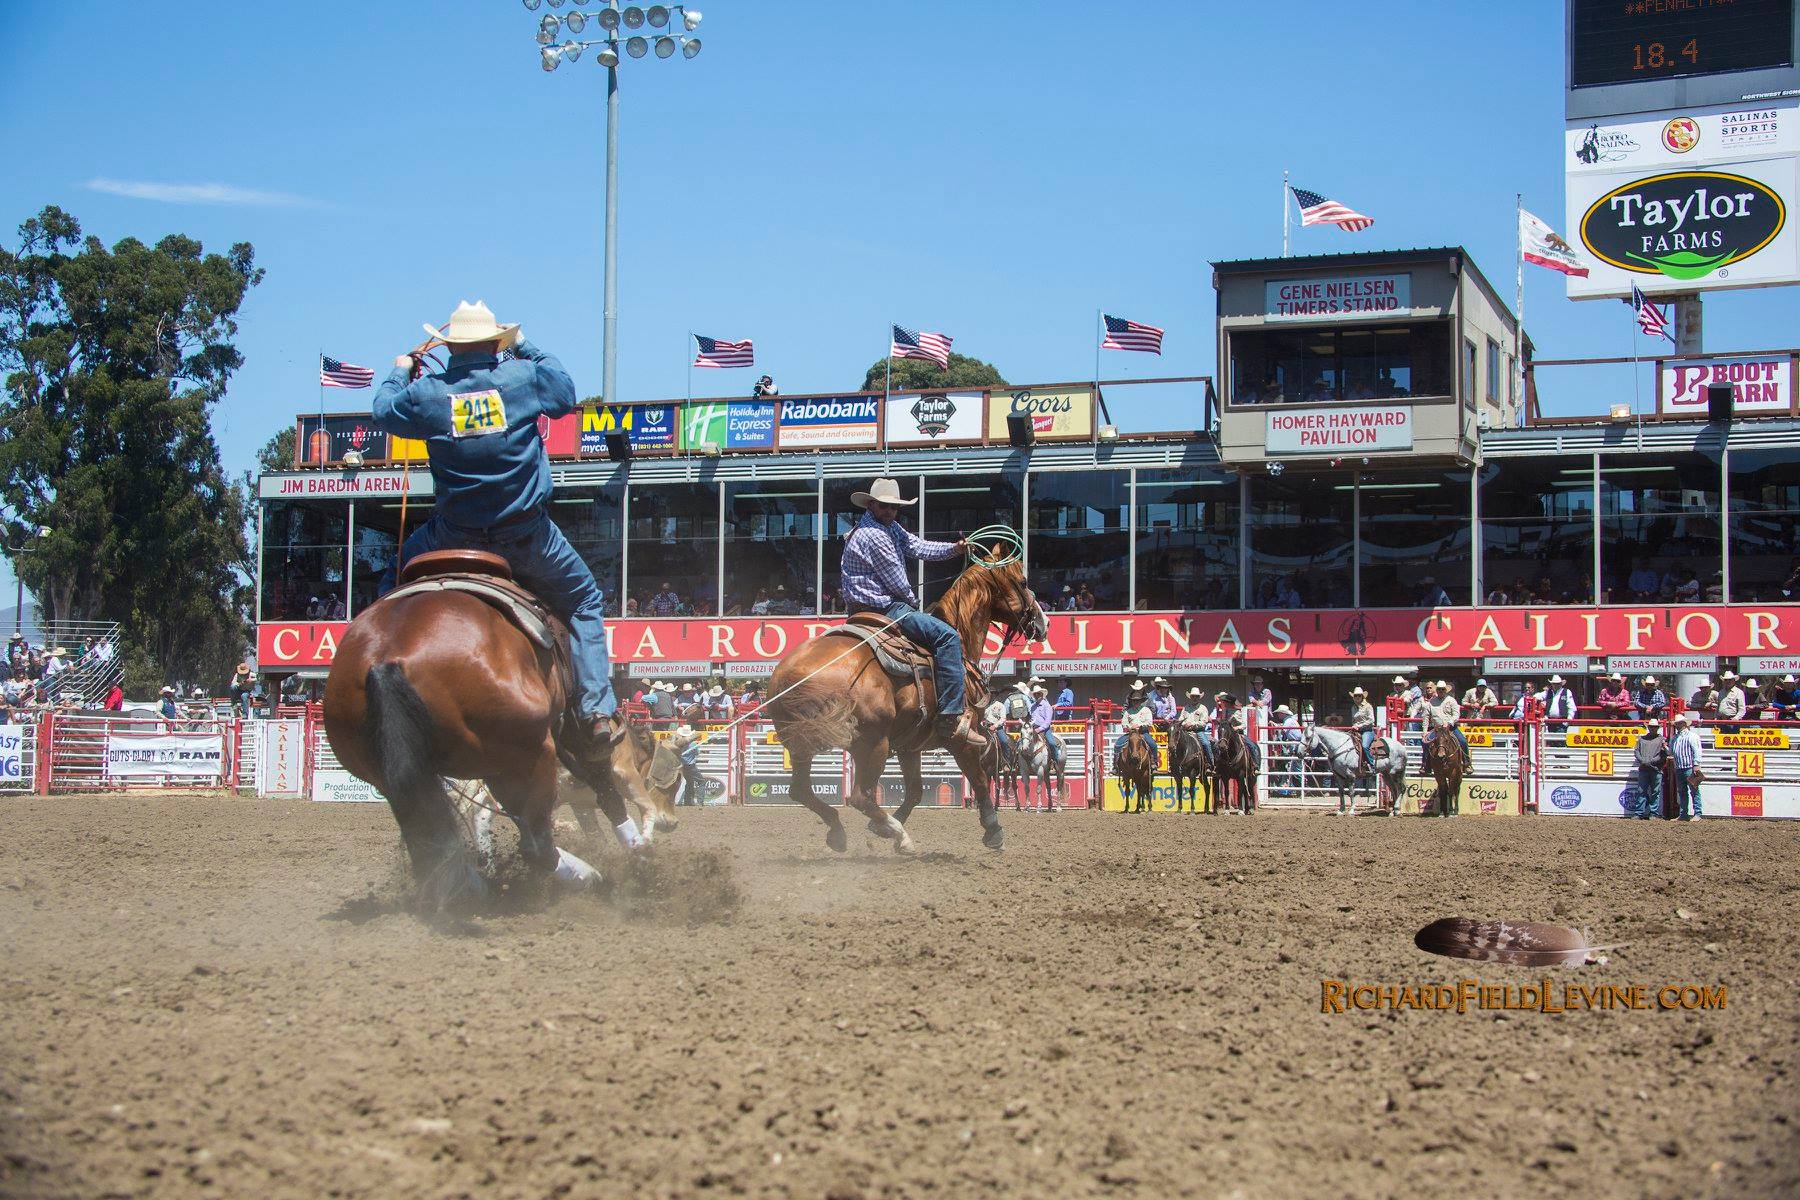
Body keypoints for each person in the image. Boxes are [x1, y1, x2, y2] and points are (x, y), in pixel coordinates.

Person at [371, 300, 621, 762]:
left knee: (392, 580)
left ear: (450, 347)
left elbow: (383, 411)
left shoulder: (428, 393)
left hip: (451, 534)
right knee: (585, 602)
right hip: (527, 536)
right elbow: (565, 393)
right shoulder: (522, 378)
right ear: (496, 342)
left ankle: (373, 655)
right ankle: (596, 709)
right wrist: (525, 346)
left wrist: (400, 369)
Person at [838, 477, 979, 751]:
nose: (890, 511)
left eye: (893, 507)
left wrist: (954, 549)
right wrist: (915, 603)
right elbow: (897, 582)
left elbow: (916, 546)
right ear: (872, 505)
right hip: (886, 608)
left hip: (862, 608)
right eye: (884, 506)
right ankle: (951, 716)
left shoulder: (882, 527)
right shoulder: (876, 535)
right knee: (948, 637)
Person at [1423, 680, 1471, 770]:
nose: (1441, 691)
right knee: (1425, 743)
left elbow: (1456, 715)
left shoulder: (1451, 701)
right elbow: (1425, 718)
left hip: (1451, 728)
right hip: (1437, 729)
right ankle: (1426, 764)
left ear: (1445, 690)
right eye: (1439, 689)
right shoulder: (1430, 703)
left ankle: (1467, 763)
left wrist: (1449, 722)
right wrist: (1425, 731)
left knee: (1463, 741)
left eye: (1442, 689)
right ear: (1436, 690)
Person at [1113, 680, 1157, 764]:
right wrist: (1130, 727)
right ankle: (1116, 765)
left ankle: (1154, 762)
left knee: (1153, 745)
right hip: (1131, 733)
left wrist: (1140, 725)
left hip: (1143, 732)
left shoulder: (1146, 710)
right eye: (1134, 701)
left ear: (1141, 701)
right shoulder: (1128, 712)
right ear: (1131, 701)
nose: (1135, 702)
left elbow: (1149, 722)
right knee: (1117, 745)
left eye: (1137, 701)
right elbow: (1124, 723)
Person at [1027, 683, 1065, 779]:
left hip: (1044, 728)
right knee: (1023, 741)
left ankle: (1055, 762)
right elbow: (1031, 718)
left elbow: (1047, 722)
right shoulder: (1032, 706)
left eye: (1038, 694)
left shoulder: (1047, 706)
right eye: (1035, 694)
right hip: (1034, 728)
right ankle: (1023, 763)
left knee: (1051, 743)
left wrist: (1039, 729)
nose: (1037, 696)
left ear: (1042, 695)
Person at [1671, 713, 1704, 821]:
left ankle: (1697, 813)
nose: (1678, 725)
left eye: (1679, 723)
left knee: (1693, 790)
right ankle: (1684, 814)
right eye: (1677, 724)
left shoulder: (1691, 736)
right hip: (1679, 767)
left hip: (1689, 767)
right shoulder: (1675, 738)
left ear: (1684, 724)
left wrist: (1696, 764)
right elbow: (1671, 752)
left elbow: (1697, 751)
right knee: (1682, 792)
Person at [1632, 722, 1668, 820]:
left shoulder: (1662, 740)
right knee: (1641, 791)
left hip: (1656, 769)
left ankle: (1653, 812)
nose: (1653, 729)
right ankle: (1640, 812)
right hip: (1646, 768)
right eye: (1651, 727)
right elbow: (1636, 751)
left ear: (1657, 728)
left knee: (1655, 791)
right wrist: (1643, 760)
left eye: (1654, 727)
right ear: (1649, 728)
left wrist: (1650, 761)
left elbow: (1664, 754)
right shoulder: (1641, 739)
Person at [669, 724, 708, 806]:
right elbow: (697, 753)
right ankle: (700, 802)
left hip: (683, 767)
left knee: (690, 782)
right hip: (691, 766)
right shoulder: (693, 744)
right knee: (701, 782)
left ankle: (688, 801)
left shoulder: (678, 744)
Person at [1178, 687, 1214, 757]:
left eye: (1196, 696)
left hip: (1198, 731)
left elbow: (1203, 723)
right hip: (1186, 731)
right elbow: (1180, 719)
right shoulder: (1186, 708)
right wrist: (1184, 724)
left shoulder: (1203, 708)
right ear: (1190, 697)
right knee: (1175, 742)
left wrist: (1191, 724)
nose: (1194, 698)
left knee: (1206, 743)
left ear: (1199, 697)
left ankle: (1211, 762)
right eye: (1193, 696)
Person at [1349, 686, 1378, 767]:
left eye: (1359, 695)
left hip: (1367, 731)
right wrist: (1354, 725)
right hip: (1356, 731)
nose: (1357, 697)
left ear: (1362, 697)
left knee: (1365, 746)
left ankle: (1372, 764)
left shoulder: (1368, 706)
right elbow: (1353, 720)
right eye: (1355, 696)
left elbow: (1371, 720)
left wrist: (1359, 726)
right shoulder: (1353, 707)